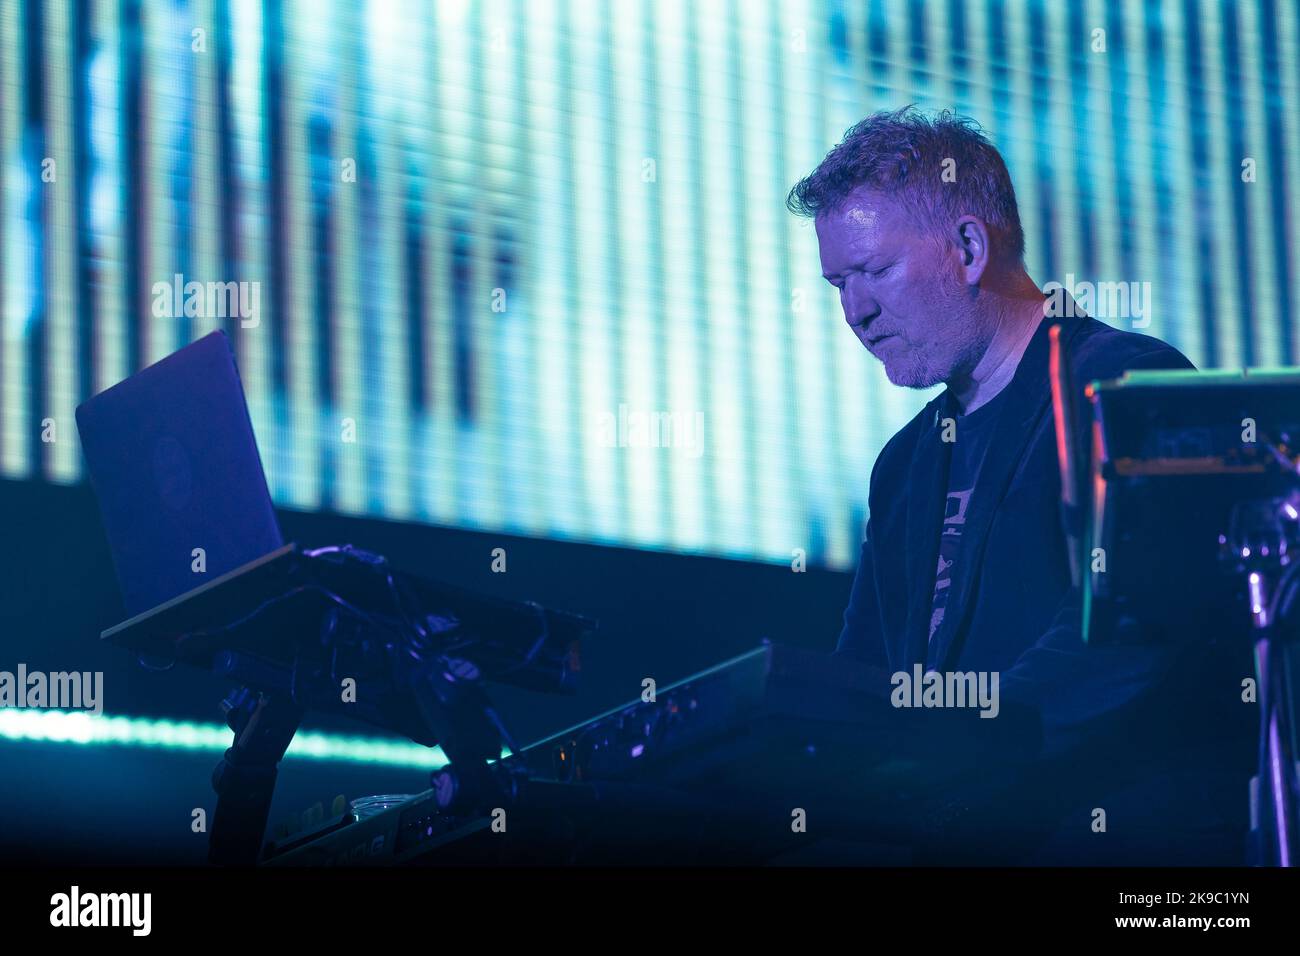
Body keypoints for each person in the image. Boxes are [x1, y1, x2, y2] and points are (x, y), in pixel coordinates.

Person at [787, 106, 1254, 864]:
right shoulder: (904, 466)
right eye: (839, 282)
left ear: (969, 246)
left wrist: (959, 738)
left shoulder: (1121, 382)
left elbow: (1131, 633)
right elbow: (863, 678)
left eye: (874, 270)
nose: (856, 311)